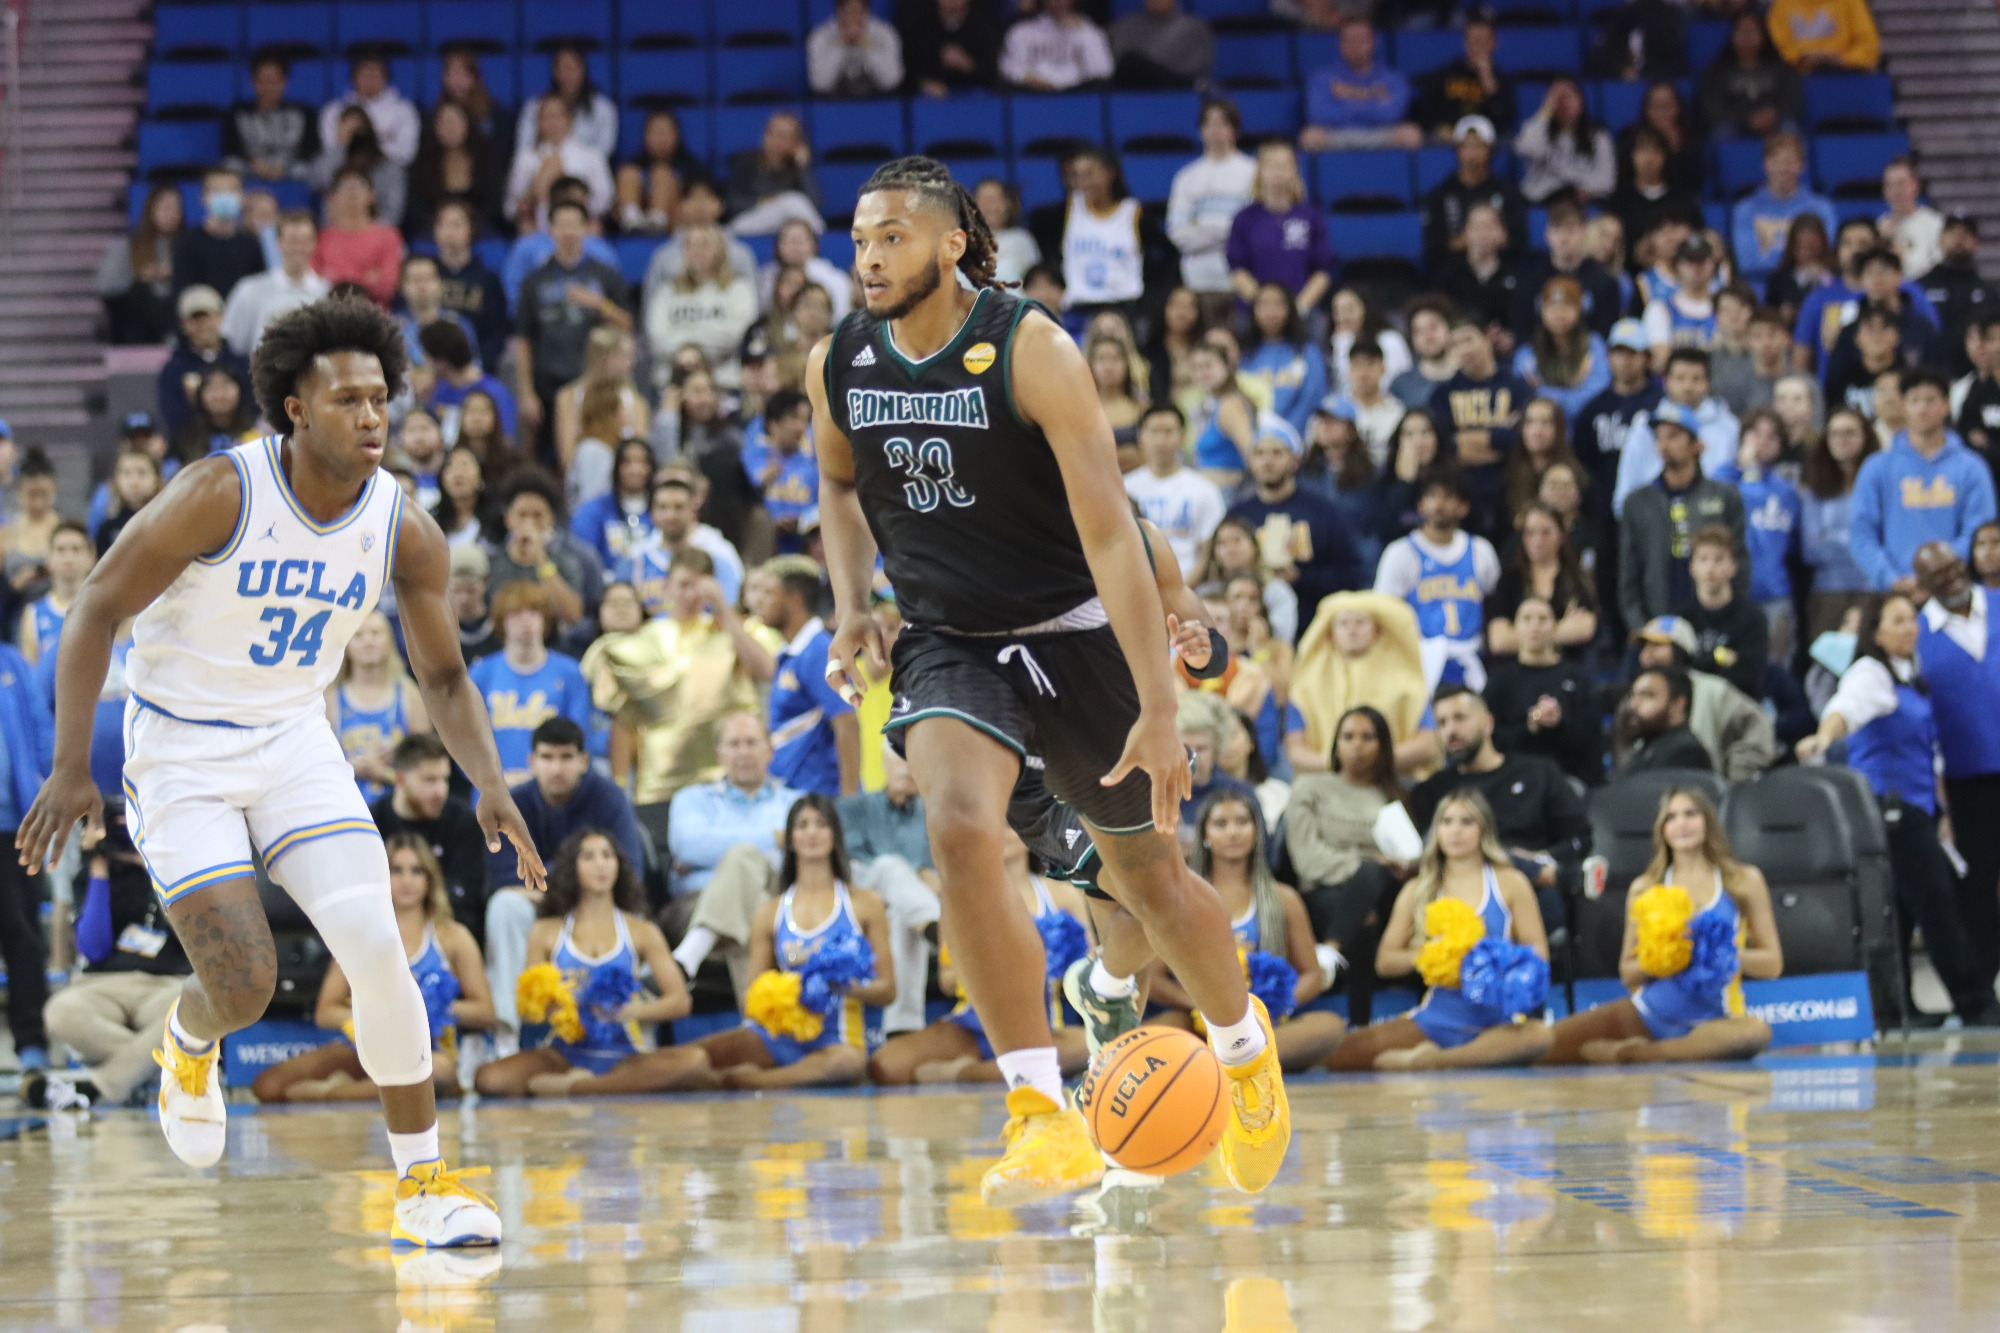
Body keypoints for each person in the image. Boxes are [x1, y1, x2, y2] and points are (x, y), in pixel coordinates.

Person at [811, 155, 1291, 1203]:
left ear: (951, 243)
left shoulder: (1033, 350)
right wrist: (851, 604)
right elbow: (838, 485)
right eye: (859, 239)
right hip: (948, 639)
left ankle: (1245, 1053)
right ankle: (1038, 1108)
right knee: (957, 828)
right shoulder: (840, 360)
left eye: (892, 236)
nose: (869, 258)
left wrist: (1160, 705)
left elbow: (1117, 537)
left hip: (1073, 634)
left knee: (1149, 883)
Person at [15, 296, 538, 1243]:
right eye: (347, 400)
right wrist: (69, 763)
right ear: (295, 410)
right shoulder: (222, 491)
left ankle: (424, 1186)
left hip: (296, 739)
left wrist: (490, 780)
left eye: (380, 398)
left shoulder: (404, 527)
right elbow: (93, 607)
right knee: (247, 981)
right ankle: (189, 1039)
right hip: (181, 748)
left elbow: (445, 675)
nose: (372, 417)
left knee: (378, 946)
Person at [1797, 591, 1997, 1024]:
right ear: (1876, 633)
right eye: (1898, 621)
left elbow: (1930, 753)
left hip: (1916, 808)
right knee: (1938, 906)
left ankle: (1895, 1009)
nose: (1910, 629)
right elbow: (1844, 709)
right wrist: (1823, 738)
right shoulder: (1869, 673)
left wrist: (1942, 813)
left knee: (1899, 911)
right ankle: (1977, 1005)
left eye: (1912, 620)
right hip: (1887, 811)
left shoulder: (1909, 674)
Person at [1542, 787, 1780, 1064]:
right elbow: (1628, 974)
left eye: (1691, 814)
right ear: (1662, 829)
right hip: (1645, 1015)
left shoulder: (1743, 881)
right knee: (1542, 1046)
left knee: (1755, 1033)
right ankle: (1657, 1051)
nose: (1681, 824)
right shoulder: (1645, 887)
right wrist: (1669, 958)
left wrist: (1719, 955)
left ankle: (1633, 1055)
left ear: (1708, 821)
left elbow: (1772, 964)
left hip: (1716, 1022)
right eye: (1671, 817)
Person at [251, 834, 494, 1102]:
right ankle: (364, 1091)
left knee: (437, 1073)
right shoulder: (361, 934)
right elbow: (325, 1011)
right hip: (365, 1046)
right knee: (268, 1086)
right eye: (396, 870)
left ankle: (334, 1093)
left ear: (430, 879)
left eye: (416, 871)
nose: (407, 880)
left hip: (428, 1051)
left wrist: (430, 1005)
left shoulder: (453, 937)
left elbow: (486, 1012)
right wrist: (376, 1018)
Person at [1328, 791, 1553, 1071]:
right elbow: (1385, 962)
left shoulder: (1511, 882)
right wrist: (1436, 953)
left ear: (1484, 829)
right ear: (1436, 831)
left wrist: (1493, 960)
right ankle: (1462, 1058)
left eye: (1466, 822)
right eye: (1446, 822)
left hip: (1498, 1023)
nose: (1455, 831)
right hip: (1435, 1022)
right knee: (1342, 1055)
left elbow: (1539, 954)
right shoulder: (1418, 889)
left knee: (1539, 1036)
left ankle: (1432, 1061)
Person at [1126, 791, 1345, 1071]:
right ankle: (1240, 1061)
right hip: (1198, 1023)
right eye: (1221, 824)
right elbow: (1154, 979)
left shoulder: (1284, 898)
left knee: (1329, 1027)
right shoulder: (1181, 900)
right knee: (1157, 1034)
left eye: (1242, 822)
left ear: (1256, 831)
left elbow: (1312, 976)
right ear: (1204, 835)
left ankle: (1218, 1062)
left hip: (1266, 1023)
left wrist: (1271, 1005)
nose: (1233, 832)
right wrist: (1202, 1004)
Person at [472, 830, 701, 1097]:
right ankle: (598, 1087)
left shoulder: (642, 930)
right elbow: (528, 1010)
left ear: (619, 865)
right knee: (489, 1079)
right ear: (572, 867)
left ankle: (577, 1087)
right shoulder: (545, 931)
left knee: (693, 1062)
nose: (601, 864)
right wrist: (554, 1008)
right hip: (563, 1054)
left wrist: (628, 1011)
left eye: (607, 855)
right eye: (589, 857)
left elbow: (680, 1002)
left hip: (627, 1055)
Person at [869, 827, 1091, 1084]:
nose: (1001, 834)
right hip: (974, 1027)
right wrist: (997, 964)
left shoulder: (1062, 895)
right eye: (994, 825)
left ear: (1029, 833)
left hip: (1044, 1027)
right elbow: (947, 981)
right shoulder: (959, 898)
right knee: (886, 1066)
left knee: (1087, 1047)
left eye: (1009, 826)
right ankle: (1005, 1069)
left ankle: (959, 1073)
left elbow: (1088, 969)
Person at [1407, 685, 1591, 930]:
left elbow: (1580, 839)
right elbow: (1427, 852)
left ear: (1489, 723)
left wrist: (1541, 857)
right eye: (1442, 723)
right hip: (1455, 893)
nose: (1451, 730)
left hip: (1528, 891)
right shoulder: (1432, 790)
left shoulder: (1537, 773)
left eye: (1460, 718)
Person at [1909, 540, 2000, 1003]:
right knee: (1978, 884)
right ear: (1922, 586)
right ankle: (1983, 992)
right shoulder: (1917, 633)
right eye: (1937, 575)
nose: (1950, 577)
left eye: (1952, 566)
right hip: (1967, 781)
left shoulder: (1998, 604)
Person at [1851, 367, 1997, 591]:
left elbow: (1979, 532)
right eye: (1914, 400)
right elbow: (1861, 533)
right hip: (1893, 591)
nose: (1922, 409)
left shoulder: (1971, 467)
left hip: (1956, 588)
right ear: (1903, 406)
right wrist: (1890, 578)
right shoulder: (1877, 467)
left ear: (1946, 406)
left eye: (1930, 400)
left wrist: (1937, 574)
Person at [513, 200, 631, 457]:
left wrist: (599, 304)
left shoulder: (606, 275)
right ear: (550, 230)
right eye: (562, 225)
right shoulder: (534, 281)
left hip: (594, 382)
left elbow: (627, 324)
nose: (568, 232)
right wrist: (526, 393)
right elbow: (522, 340)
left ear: (586, 228)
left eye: (575, 225)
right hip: (546, 382)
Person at [1619, 402, 1750, 632]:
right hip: (1657, 621)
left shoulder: (1725, 497)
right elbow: (1628, 571)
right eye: (1659, 437)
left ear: (1697, 445)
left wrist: (1731, 621)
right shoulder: (1638, 503)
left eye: (1674, 436)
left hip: (1714, 622)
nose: (1664, 445)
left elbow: (1739, 560)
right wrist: (1639, 626)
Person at [1228, 413, 1365, 626]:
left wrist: (1299, 578)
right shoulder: (1238, 515)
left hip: (1313, 621)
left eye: (1277, 453)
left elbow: (1351, 577)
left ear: (1295, 460)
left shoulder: (1322, 511)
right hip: (1251, 625)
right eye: (1259, 453)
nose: (1267, 462)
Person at [1374, 468, 1500, 691]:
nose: (1439, 504)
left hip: (1471, 658)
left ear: (1464, 507)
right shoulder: (1400, 553)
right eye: (1432, 496)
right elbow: (1385, 614)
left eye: (1448, 496)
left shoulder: (1481, 551)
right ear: (1420, 505)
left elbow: (1494, 605)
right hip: (1419, 660)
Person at [468, 580, 592, 788]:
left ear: (545, 619)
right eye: (516, 614)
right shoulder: (480, 674)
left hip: (551, 791)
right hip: (492, 791)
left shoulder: (570, 674)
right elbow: (465, 742)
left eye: (534, 613)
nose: (526, 621)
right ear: (501, 621)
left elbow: (580, 739)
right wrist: (494, 779)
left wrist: (539, 778)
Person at [371, 733, 489, 935]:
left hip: (447, 931)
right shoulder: (373, 822)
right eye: (429, 780)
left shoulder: (463, 821)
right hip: (382, 931)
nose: (440, 791)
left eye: (444, 779)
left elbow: (466, 897)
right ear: (400, 780)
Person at [1427, 316, 1529, 527]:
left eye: (1468, 340)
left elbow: (1521, 440)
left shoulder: (1518, 387)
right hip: (1462, 495)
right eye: (1455, 345)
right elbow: (1444, 445)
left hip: (1512, 490)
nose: (1464, 350)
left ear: (1487, 338)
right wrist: (1498, 436)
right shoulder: (1442, 394)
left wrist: (1468, 440)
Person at [1485, 596, 1600, 784]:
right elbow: (1491, 740)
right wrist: (1529, 727)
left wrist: (1558, 725)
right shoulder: (1499, 682)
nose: (1535, 626)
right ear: (1515, 628)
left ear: (1555, 626)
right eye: (1527, 619)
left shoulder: (1577, 677)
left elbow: (1591, 738)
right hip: (1513, 778)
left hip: (1568, 777)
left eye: (1543, 619)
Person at [1613, 349, 1740, 516]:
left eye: (1696, 379)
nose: (1688, 387)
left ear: (1708, 383)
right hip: (1654, 516)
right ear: (1666, 381)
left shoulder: (1729, 427)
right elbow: (1626, 489)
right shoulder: (1644, 425)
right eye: (1680, 378)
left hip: (1710, 517)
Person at [329, 608, 431, 807]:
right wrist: (349, 768)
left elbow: (428, 770)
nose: (368, 641)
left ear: (389, 641)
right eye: (358, 635)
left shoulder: (411, 696)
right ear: (346, 645)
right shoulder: (330, 699)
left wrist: (383, 774)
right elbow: (317, 767)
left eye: (376, 633)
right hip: (345, 808)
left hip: (399, 812)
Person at [1799, 406, 1880, 639]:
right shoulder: (1815, 489)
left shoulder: (1881, 484)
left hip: (1873, 588)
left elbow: (1887, 541)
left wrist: (1835, 537)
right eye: (1834, 434)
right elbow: (1812, 550)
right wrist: (1863, 544)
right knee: (1828, 658)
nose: (1841, 440)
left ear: (1865, 436)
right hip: (1828, 591)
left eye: (1849, 433)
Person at [1167, 99, 1255, 306]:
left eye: (1222, 123)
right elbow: (1177, 232)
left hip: (1243, 278)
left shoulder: (1253, 172)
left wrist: (1205, 230)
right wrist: (1225, 233)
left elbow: (1253, 229)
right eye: (1209, 123)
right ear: (1201, 130)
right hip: (1197, 276)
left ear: (1235, 129)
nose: (1215, 129)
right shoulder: (1186, 177)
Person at [1485, 502, 1599, 660]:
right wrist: (1560, 629)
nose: (1537, 541)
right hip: (1518, 666)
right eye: (1530, 533)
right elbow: (1499, 641)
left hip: (1566, 664)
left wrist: (1522, 634)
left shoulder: (1575, 578)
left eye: (1546, 533)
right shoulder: (1509, 580)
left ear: (1561, 534)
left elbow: (1584, 630)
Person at [1421, 116, 1529, 271]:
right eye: (1466, 146)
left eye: (1479, 146)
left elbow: (1519, 241)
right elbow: (1433, 246)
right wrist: (1477, 241)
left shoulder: (1508, 194)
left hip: (1500, 272)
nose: (1472, 153)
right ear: (1457, 150)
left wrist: (1484, 242)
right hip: (1453, 273)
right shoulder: (1440, 195)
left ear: (1490, 150)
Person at [1298, 18, 1419, 152]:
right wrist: (1372, 99)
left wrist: (1347, 98)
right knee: (1310, 137)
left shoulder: (1393, 79)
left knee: (1410, 134)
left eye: (1361, 40)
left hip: (1380, 132)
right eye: (1349, 41)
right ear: (1339, 44)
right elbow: (1318, 115)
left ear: (1373, 43)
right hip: (1337, 132)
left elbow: (1392, 114)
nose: (1355, 46)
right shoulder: (1322, 78)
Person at [221, 211, 329, 359]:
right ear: (278, 243)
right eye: (292, 241)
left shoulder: (327, 293)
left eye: (305, 241)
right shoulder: (249, 290)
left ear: (315, 244)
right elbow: (234, 344)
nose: (298, 248)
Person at [1732, 132, 1838, 283]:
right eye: (1776, 161)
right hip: (1763, 286)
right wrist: (1796, 262)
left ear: (1802, 165)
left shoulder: (1822, 208)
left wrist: (1771, 255)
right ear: (1764, 164)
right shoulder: (1745, 210)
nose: (1782, 168)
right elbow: (1748, 263)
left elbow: (1826, 255)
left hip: (1812, 283)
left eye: (1789, 161)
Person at [1676, 525, 1768, 696]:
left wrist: (1700, 664)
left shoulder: (1753, 619)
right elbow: (1678, 674)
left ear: (1732, 567)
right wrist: (1718, 658)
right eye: (1703, 559)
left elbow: (1750, 677)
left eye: (1718, 559)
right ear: (1692, 567)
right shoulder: (1681, 619)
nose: (1710, 568)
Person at [505, 95, 614, 232]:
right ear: (538, 123)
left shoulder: (591, 156)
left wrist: (575, 200)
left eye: (557, 116)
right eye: (547, 117)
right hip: (537, 227)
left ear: (569, 119)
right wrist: (535, 189)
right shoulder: (526, 157)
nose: (553, 123)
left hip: (582, 225)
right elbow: (509, 208)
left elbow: (605, 200)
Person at [405, 98, 506, 243]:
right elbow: (415, 205)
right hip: (433, 227)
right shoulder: (423, 160)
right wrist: (441, 224)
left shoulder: (487, 157)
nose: (450, 129)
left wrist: (467, 224)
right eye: (444, 123)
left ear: (467, 124)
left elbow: (494, 202)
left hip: (480, 226)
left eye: (455, 122)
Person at [157, 285, 252, 438]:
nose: (202, 325)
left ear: (221, 317)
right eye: (195, 319)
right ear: (184, 324)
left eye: (207, 317)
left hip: (244, 439)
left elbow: (255, 408)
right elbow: (174, 420)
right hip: (194, 444)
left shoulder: (242, 364)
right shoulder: (173, 371)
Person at [1514, 279, 1611, 422]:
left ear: (1580, 309)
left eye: (1567, 307)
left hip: (1585, 425)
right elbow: (1523, 396)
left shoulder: (1595, 347)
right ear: (1541, 310)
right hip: (1541, 426)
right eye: (1552, 307)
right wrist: (1569, 392)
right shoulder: (1526, 354)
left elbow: (1597, 395)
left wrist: (1545, 392)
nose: (1559, 314)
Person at [99, 185, 183, 345]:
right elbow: (105, 286)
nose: (172, 213)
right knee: (141, 293)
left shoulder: (189, 245)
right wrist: (138, 277)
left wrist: (174, 273)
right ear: (150, 209)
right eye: (166, 207)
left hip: (176, 310)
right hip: (137, 316)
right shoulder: (128, 245)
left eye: (177, 209)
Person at [1699, 11, 1804, 141]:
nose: (1747, 35)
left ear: (1764, 35)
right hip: (1735, 125)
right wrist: (1747, 119)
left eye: (1753, 30)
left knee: (1790, 127)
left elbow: (1793, 102)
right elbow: (1713, 110)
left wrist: (1773, 114)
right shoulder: (1716, 72)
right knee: (1722, 132)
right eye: (1742, 30)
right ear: (1732, 36)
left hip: (1774, 122)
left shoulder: (1782, 69)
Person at [1239, 284, 1328, 436]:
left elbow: (1312, 400)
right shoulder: (1243, 354)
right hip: (1251, 439)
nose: (1271, 312)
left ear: (1290, 309)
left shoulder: (1309, 352)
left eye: (1278, 304)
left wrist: (1284, 436)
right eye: (1264, 304)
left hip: (1296, 438)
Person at [429, 202, 508, 369]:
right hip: (427, 365)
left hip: (474, 368)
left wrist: (477, 367)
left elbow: (496, 333)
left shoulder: (488, 280)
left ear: (470, 230)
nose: (450, 231)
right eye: (444, 225)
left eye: (457, 224)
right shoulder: (424, 275)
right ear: (435, 231)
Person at [173, 168, 268, 304]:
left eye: (231, 191)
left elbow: (259, 291)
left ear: (242, 197)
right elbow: (183, 292)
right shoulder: (187, 243)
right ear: (203, 198)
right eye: (217, 191)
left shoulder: (252, 244)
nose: (225, 196)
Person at [312, 168, 404, 307]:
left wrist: (337, 279)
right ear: (332, 196)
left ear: (372, 195)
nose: (352, 193)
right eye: (345, 187)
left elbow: (387, 286)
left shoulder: (388, 236)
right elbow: (314, 284)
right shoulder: (321, 238)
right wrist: (366, 279)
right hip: (330, 311)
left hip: (375, 312)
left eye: (359, 187)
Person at [1514, 78, 1615, 204]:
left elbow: (1607, 179)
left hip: (1584, 200)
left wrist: (1588, 190)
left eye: (1569, 97)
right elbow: (1527, 148)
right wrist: (1546, 111)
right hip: (1542, 200)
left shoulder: (1598, 135)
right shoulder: (1538, 129)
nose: (1564, 103)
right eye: (1558, 98)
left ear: (1581, 101)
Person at [224, 53, 322, 182]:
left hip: (290, 171)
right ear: (253, 81)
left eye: (275, 80)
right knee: (231, 165)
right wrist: (254, 164)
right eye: (264, 81)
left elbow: (312, 149)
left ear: (285, 82)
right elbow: (230, 148)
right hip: (251, 169)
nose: (269, 86)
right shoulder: (237, 113)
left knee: (307, 169)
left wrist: (283, 169)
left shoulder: (304, 113)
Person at [1415, 16, 1514, 139]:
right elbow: (1425, 112)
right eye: (1472, 41)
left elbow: (1504, 122)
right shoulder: (1445, 75)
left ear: (1493, 43)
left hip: (1484, 141)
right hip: (1447, 140)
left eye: (1482, 42)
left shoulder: (1502, 80)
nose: (1476, 47)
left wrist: (1488, 82)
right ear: (1464, 43)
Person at [1924, 215, 1997, 380]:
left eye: (1966, 233)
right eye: (1952, 232)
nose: (1959, 238)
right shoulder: (1920, 287)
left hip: (1975, 376)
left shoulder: (1988, 292)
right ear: (1940, 239)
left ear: (1977, 243)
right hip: (1928, 374)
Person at [1432, 205, 1520, 341]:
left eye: (1490, 226)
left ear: (1503, 233)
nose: (1483, 234)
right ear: (1464, 233)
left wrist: (1512, 337)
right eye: (1477, 227)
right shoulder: (1447, 275)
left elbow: (1523, 317)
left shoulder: (1517, 274)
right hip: (1459, 343)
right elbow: (1440, 315)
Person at [1642, 235, 1722, 372]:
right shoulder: (1660, 309)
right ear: (1678, 266)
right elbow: (1661, 360)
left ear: (1712, 265)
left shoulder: (1725, 308)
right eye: (1690, 261)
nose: (1697, 267)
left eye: (1702, 260)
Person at [1616, 663, 1712, 774]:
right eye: (1633, 696)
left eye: (1647, 695)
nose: (1633, 705)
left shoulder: (1686, 753)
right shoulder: (1649, 746)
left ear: (1677, 703)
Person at [1000, 0, 1113, 91]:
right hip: (1031, 98)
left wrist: (1081, 32)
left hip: (1077, 98)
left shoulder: (1090, 32)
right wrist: (1029, 79)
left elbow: (1102, 72)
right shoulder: (1021, 32)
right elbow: (1009, 70)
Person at [903, 0, 1001, 97]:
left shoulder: (983, 26)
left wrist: (969, 65)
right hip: (929, 96)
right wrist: (923, 83)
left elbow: (993, 70)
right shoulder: (921, 25)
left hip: (974, 93)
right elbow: (908, 65)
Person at [1107, 0, 1213, 88]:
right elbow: (1118, 65)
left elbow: (1195, 72)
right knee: (1130, 61)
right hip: (1133, 92)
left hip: (1178, 91)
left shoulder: (1194, 29)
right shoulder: (1126, 28)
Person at [809, 0, 905, 97]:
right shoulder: (820, 36)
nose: (853, 16)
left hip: (877, 100)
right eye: (848, 11)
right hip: (835, 102)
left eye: (858, 11)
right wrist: (840, 45)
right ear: (839, 11)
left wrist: (866, 46)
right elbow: (820, 84)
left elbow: (892, 81)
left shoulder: (885, 33)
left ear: (867, 12)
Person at [1768, 0, 1881, 71]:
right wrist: (1801, 59)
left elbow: (1869, 45)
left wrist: (1842, 60)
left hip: (1847, 76)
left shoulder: (1851, 2)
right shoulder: (1782, 5)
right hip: (1797, 81)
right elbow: (1778, 46)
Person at [1390, 298, 1461, 410]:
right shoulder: (1401, 385)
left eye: (1433, 327)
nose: (1428, 336)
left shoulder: (1473, 375)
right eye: (1419, 331)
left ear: (1450, 328)